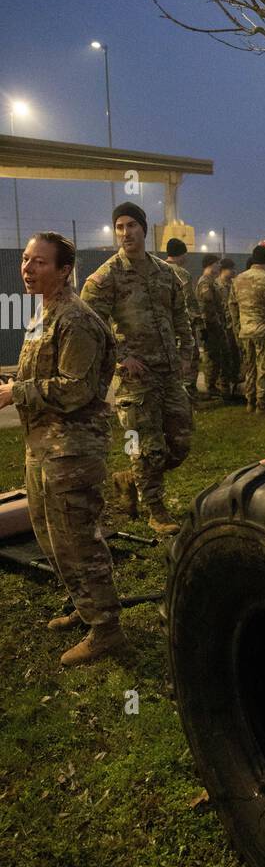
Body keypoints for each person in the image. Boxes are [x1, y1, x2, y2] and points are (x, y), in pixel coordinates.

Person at [0, 233, 126, 665]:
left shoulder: (77, 320)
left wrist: (16, 392)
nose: (28, 269)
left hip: (73, 448)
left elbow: (76, 390)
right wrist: (14, 383)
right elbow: (36, 371)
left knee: (77, 538)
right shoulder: (44, 314)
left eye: (39, 262)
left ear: (64, 270)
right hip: (43, 445)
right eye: (25, 260)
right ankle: (84, 604)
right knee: (49, 535)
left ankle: (107, 630)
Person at [80, 202, 193, 535]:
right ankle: (155, 510)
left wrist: (186, 353)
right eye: (119, 227)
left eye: (131, 225)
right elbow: (88, 324)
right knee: (146, 447)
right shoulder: (105, 277)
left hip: (169, 372)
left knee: (181, 442)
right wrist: (120, 358)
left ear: (144, 229)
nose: (125, 232)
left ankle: (129, 480)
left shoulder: (165, 272)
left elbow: (180, 316)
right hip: (135, 377)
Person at [229, 244, 265, 412]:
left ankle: (250, 402)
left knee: (250, 368)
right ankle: (264, 405)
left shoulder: (238, 280)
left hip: (245, 331)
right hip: (264, 331)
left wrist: (238, 326)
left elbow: (232, 305)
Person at [164, 238, 203, 402]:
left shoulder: (158, 267)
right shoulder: (182, 273)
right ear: (181, 254)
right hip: (182, 325)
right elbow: (188, 301)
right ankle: (188, 393)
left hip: (164, 326)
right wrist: (198, 321)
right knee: (190, 359)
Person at [195, 253, 232, 401]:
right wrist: (214, 324)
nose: (219, 267)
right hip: (211, 326)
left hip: (216, 325)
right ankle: (210, 387)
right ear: (211, 264)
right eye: (217, 264)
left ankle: (215, 386)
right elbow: (207, 306)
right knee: (212, 357)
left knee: (220, 356)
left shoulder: (211, 281)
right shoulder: (205, 282)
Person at [217, 258, 243, 396]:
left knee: (235, 355)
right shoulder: (217, 285)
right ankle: (224, 385)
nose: (234, 271)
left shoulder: (233, 284)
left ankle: (235, 382)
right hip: (223, 326)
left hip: (233, 325)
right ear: (223, 270)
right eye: (231, 269)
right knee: (225, 357)